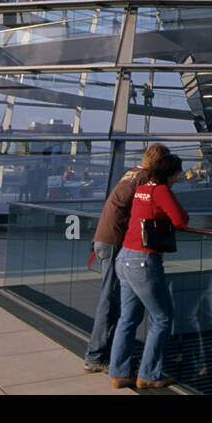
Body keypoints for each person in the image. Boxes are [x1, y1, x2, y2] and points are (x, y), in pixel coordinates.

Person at [83, 144, 171, 373]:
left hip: (104, 238)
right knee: (110, 300)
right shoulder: (145, 179)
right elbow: (149, 208)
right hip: (114, 242)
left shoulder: (131, 172)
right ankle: (96, 355)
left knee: (117, 302)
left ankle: (112, 356)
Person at [109, 150, 190, 390]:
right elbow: (181, 220)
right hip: (143, 262)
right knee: (162, 318)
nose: (178, 178)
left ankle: (119, 373)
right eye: (177, 174)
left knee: (128, 319)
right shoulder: (161, 191)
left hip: (124, 258)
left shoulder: (142, 190)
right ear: (169, 173)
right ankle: (148, 374)